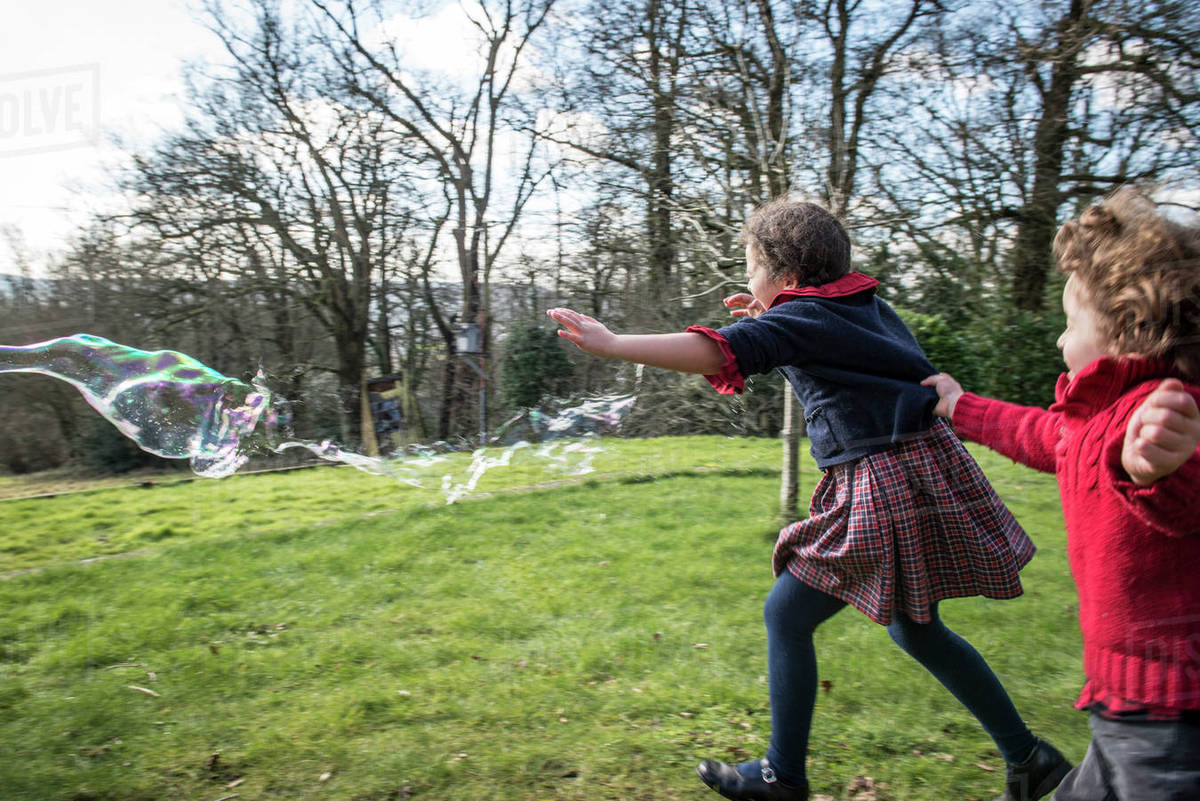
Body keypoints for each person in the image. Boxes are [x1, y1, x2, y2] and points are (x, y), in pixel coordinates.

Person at [548, 197, 1068, 801]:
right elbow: (825, 355)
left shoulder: (801, 321)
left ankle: (783, 776)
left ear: (786, 276)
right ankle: (1029, 758)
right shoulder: (861, 306)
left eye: (751, 270)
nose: (748, 282)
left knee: (787, 614)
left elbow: (719, 352)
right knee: (915, 629)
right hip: (922, 464)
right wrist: (770, 320)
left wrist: (612, 343)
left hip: (883, 478)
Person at [923, 187, 1200, 801]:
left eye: (1071, 323)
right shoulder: (1092, 418)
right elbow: (1041, 434)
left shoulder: (1164, 413)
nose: (1058, 340)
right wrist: (960, 406)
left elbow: (1184, 502)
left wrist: (1158, 467)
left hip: (1170, 710)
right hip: (1121, 697)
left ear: (1128, 323)